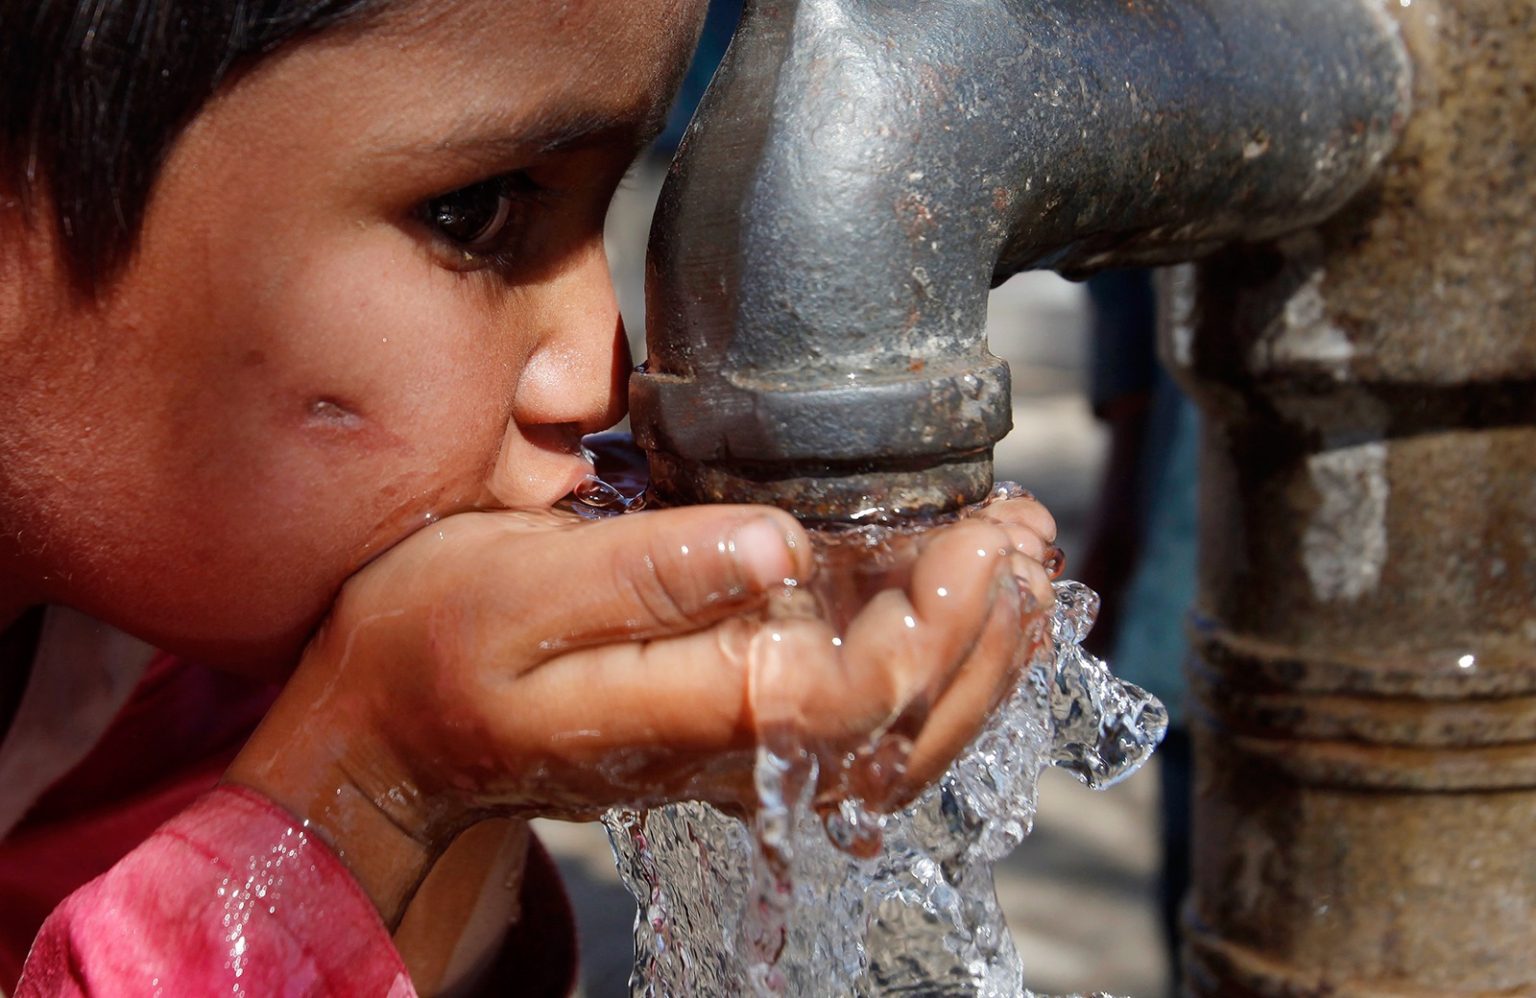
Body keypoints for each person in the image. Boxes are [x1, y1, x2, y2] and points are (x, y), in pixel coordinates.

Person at [0, 1, 1062, 993]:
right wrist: (367, 789)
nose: (602, 377)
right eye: (474, 213)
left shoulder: (186, 668)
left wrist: (461, 764)